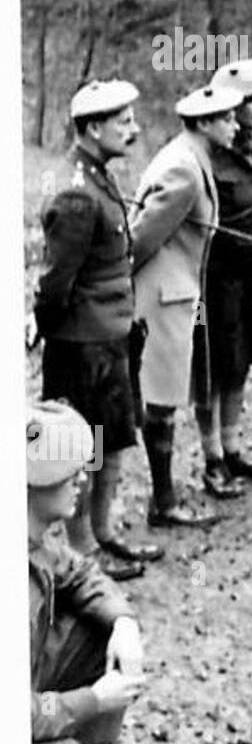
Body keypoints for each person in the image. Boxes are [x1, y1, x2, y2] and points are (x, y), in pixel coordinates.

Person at [31, 79, 161, 581]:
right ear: (91, 128)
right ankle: (82, 548)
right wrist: (44, 326)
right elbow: (56, 282)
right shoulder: (76, 192)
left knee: (109, 439)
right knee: (81, 445)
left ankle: (103, 533)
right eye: (123, 122)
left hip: (110, 338)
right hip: (83, 346)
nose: (133, 129)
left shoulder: (97, 176)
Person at [29, 400, 162, 744]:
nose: (82, 479)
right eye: (69, 471)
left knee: (101, 629)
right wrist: (92, 700)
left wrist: (122, 621)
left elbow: (81, 572)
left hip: (29, 696)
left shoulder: (32, 534)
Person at [132, 82, 242, 524]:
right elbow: (140, 237)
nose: (235, 127)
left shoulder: (192, 159)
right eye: (227, 119)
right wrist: (115, 286)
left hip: (177, 293)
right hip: (162, 296)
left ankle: (165, 498)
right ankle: (164, 502)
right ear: (203, 123)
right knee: (159, 401)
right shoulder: (183, 168)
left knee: (165, 398)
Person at [192, 58, 252, 488]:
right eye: (250, 103)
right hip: (217, 280)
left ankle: (233, 449)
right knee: (214, 368)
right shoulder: (205, 159)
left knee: (241, 363)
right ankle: (211, 459)